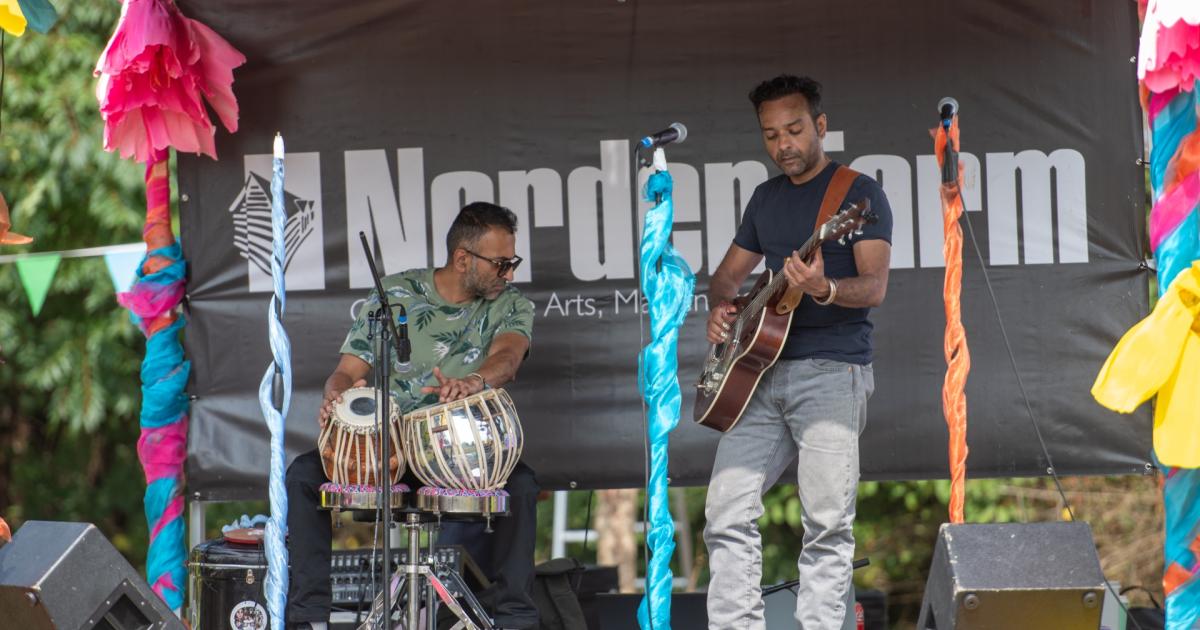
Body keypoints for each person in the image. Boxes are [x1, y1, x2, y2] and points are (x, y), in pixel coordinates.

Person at [285, 202, 539, 630]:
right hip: (387, 453)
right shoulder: (397, 294)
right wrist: (336, 398)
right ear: (462, 259)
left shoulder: (510, 305)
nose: (509, 274)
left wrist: (474, 381)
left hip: (460, 460)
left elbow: (509, 357)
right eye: (501, 264)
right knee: (303, 476)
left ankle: (517, 620)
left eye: (512, 262)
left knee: (523, 485)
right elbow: (348, 371)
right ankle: (309, 619)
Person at [702, 75, 893, 629]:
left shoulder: (858, 196)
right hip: (757, 374)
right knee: (725, 511)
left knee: (827, 524)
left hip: (832, 372)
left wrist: (823, 288)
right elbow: (726, 278)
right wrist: (723, 311)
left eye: (794, 129)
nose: (783, 144)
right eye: (770, 135)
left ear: (821, 126)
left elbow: (874, 286)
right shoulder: (765, 198)